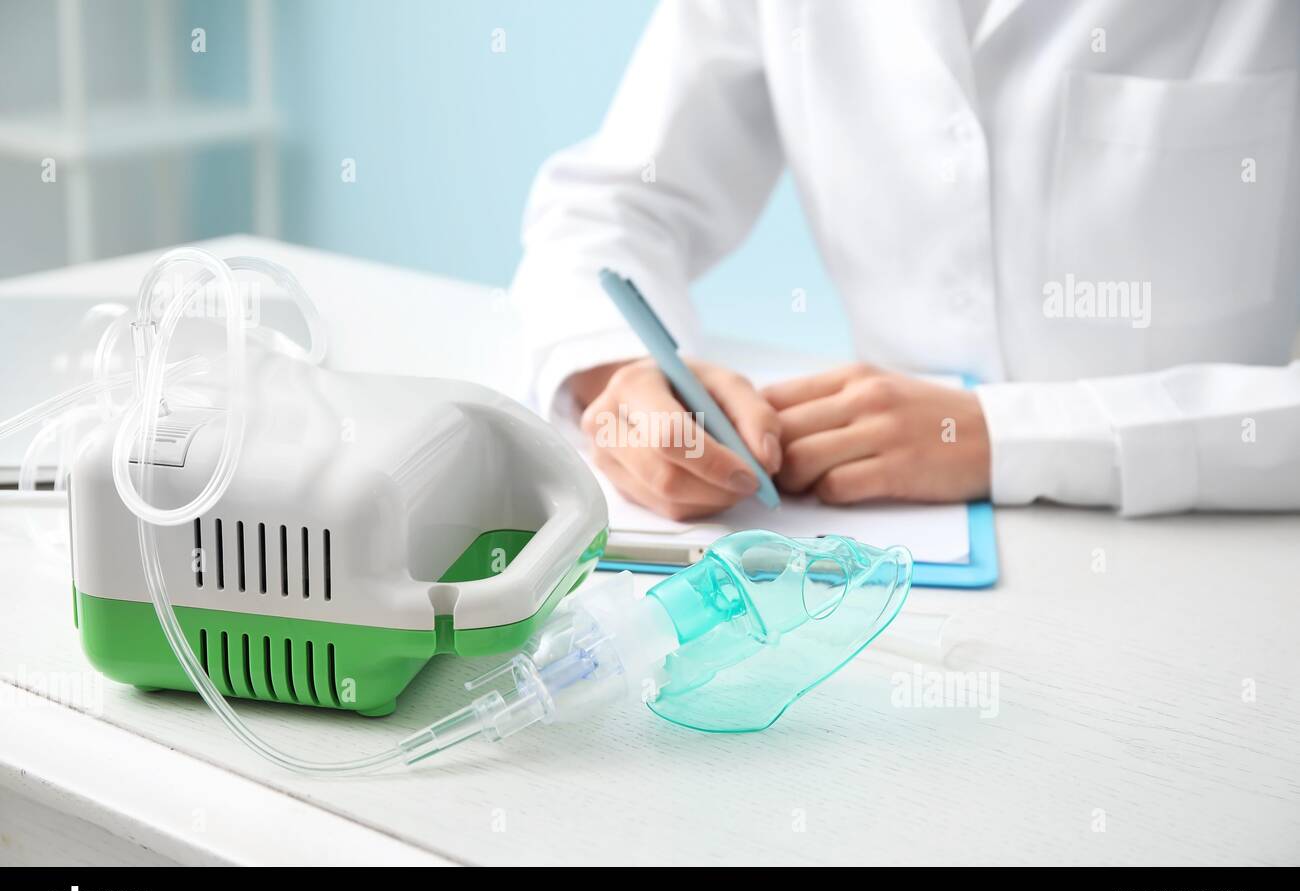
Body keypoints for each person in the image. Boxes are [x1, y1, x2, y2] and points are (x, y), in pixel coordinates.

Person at [511, 0, 1300, 520]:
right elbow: (616, 202)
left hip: (1222, 546)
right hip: (881, 521)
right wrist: (619, 375)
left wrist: (1004, 437)